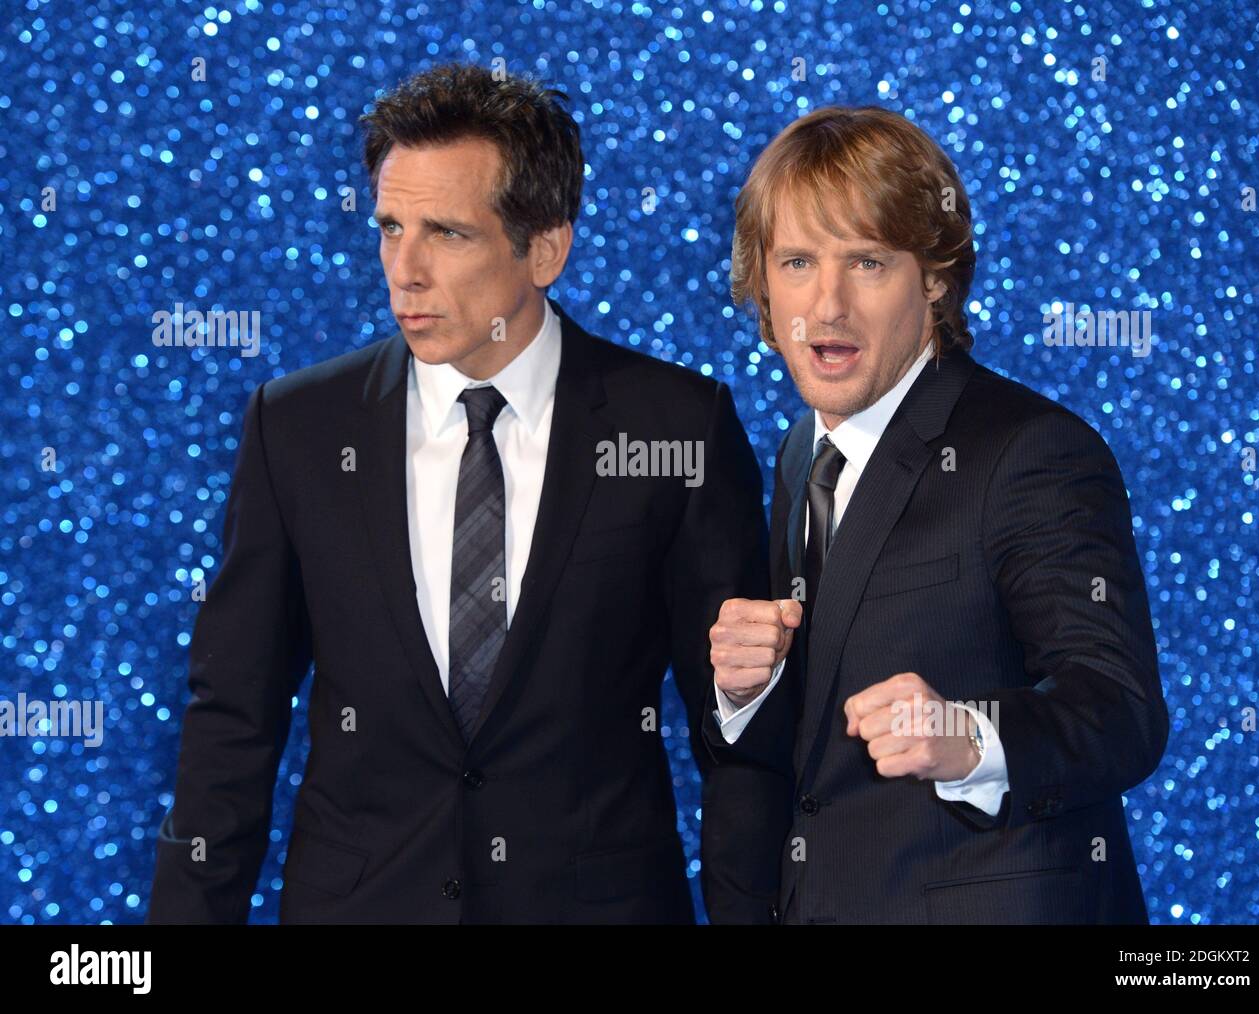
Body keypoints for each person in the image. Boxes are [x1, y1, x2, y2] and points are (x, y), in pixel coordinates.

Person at [147, 62, 772, 924]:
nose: (402, 269)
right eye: (389, 226)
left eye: (444, 232)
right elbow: (234, 721)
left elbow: (738, 731)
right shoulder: (296, 427)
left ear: (545, 247)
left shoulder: (678, 426)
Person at [705, 105, 1169, 924]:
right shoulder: (798, 455)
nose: (828, 303)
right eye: (798, 261)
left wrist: (969, 736)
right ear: (763, 288)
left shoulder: (1031, 450)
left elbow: (1122, 712)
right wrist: (750, 690)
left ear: (936, 278)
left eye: (869, 262)